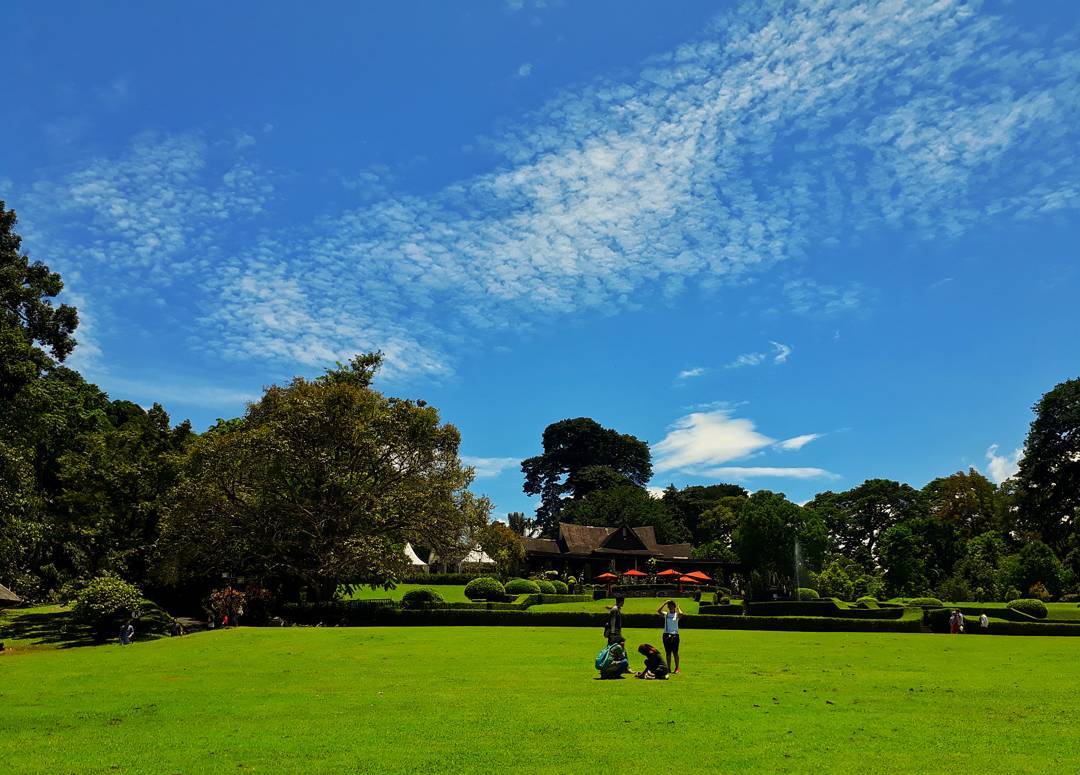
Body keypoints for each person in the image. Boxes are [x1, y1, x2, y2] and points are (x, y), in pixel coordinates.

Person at [657, 599, 683, 674]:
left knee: (675, 652)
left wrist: (678, 608)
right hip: (666, 634)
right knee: (668, 653)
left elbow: (681, 614)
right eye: (669, 607)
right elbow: (658, 611)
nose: (670, 608)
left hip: (675, 635)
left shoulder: (676, 615)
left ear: (674, 607)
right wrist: (665, 603)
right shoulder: (666, 614)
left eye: (672, 606)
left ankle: (677, 668)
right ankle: (668, 668)